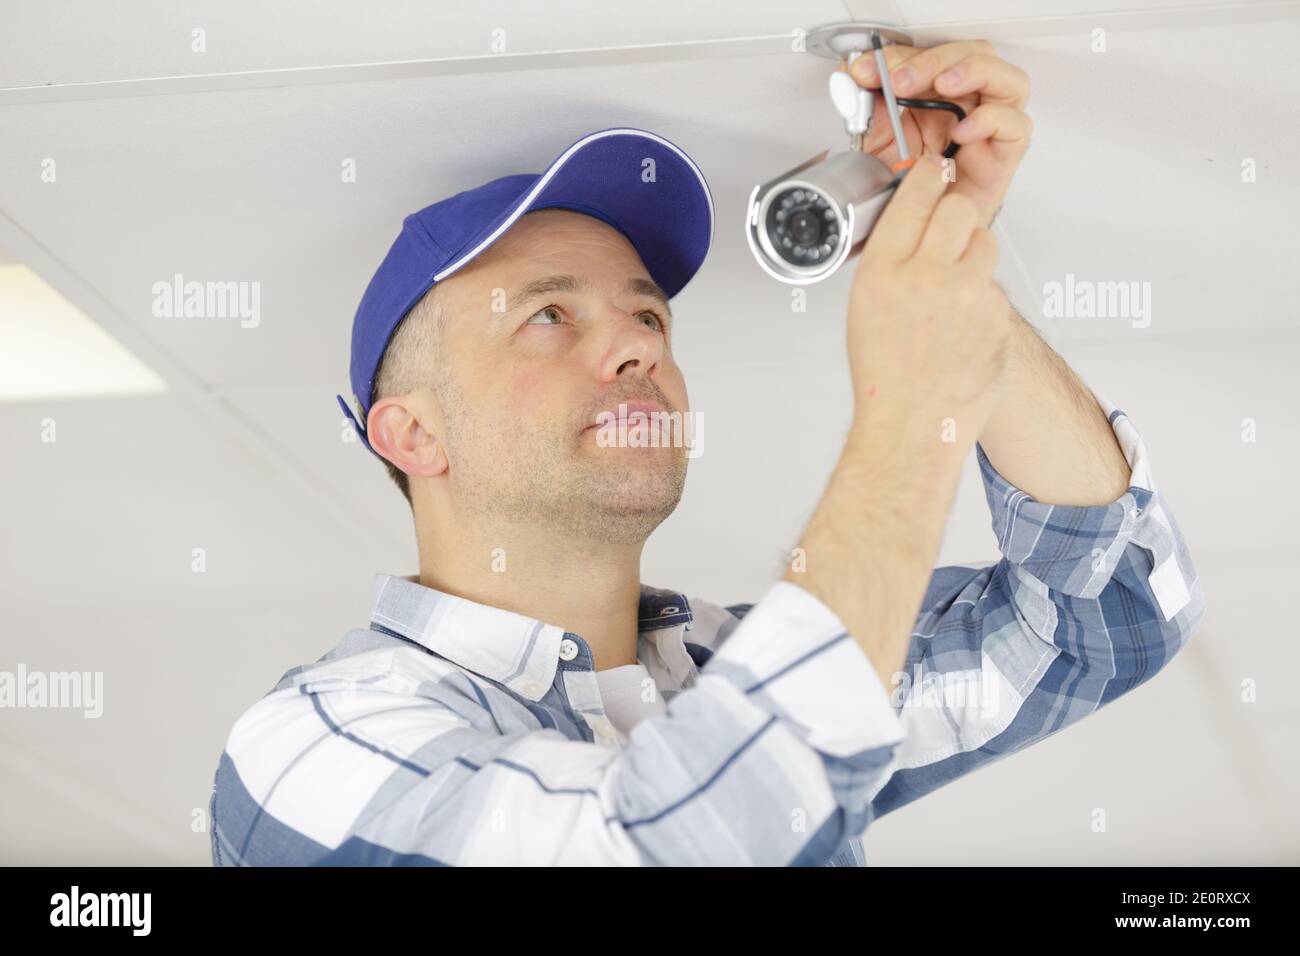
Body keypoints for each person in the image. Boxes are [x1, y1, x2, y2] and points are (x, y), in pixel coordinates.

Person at [209, 41, 1203, 866]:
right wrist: (906, 410)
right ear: (413, 434)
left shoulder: (718, 673)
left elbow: (1108, 612)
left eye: (647, 312)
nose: (642, 340)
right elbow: (690, 837)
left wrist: (949, 262)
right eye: (549, 315)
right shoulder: (314, 745)